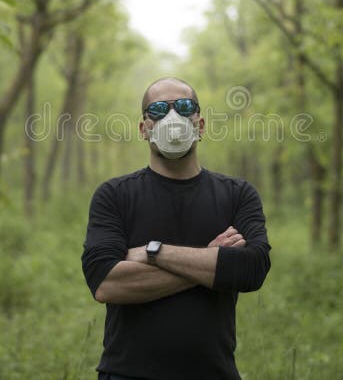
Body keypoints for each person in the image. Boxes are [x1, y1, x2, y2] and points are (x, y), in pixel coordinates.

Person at [81, 77, 271, 380]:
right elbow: (106, 284)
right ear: (144, 129)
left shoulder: (237, 194)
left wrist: (152, 252)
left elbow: (252, 269)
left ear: (201, 124)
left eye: (184, 107)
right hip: (126, 374)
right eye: (157, 109)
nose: (173, 117)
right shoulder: (114, 195)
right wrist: (212, 262)